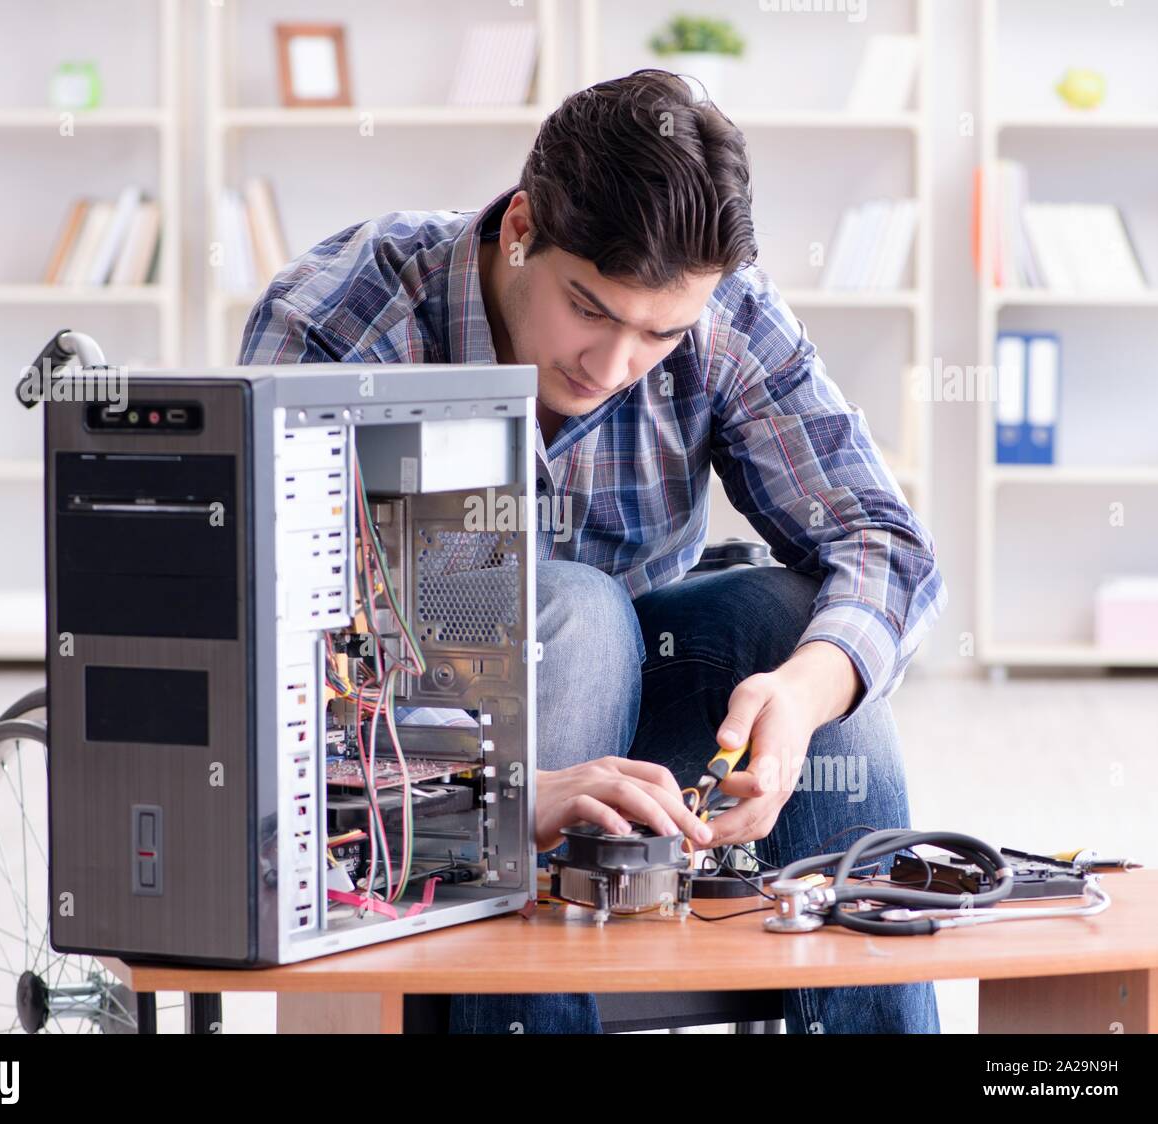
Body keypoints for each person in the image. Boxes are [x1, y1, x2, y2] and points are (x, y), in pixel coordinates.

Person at [240, 68, 947, 1034]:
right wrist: (498, 794)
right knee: (576, 608)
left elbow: (883, 540)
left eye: (660, 334)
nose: (613, 368)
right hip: (403, 772)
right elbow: (268, 641)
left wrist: (807, 691)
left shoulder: (725, 317)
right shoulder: (344, 321)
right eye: (590, 309)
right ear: (523, 224)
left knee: (799, 634)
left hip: (648, 739)